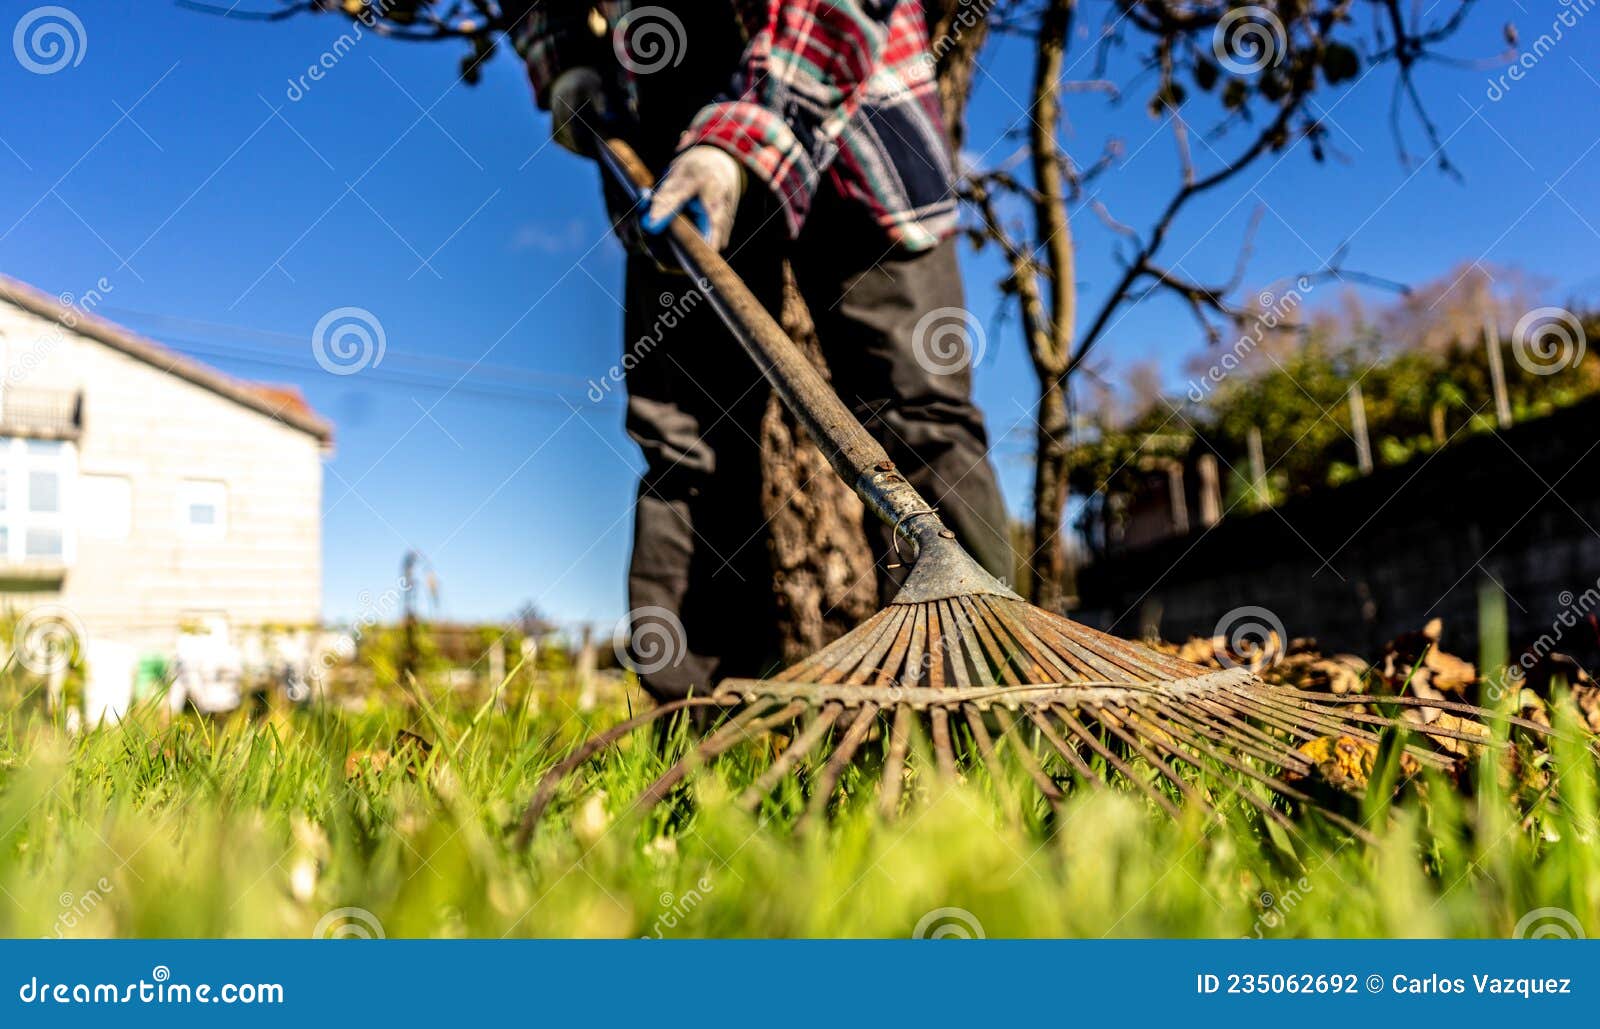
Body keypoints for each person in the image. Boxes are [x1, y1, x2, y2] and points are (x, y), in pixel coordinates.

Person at [511, 1, 1012, 700]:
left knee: (920, 416)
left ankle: (978, 700)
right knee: (687, 446)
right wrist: (562, 56)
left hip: (855, 100)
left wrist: (742, 141)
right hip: (665, 127)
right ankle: (698, 739)